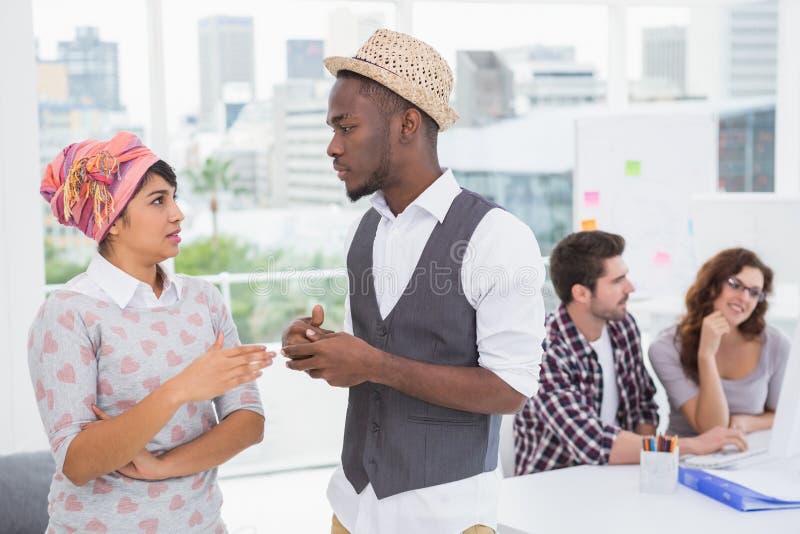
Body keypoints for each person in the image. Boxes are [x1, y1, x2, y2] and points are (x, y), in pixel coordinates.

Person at [280, 29, 546, 534]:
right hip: (353, 507)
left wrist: (374, 365)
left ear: (406, 124)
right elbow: (378, 346)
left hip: (447, 516)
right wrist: (321, 349)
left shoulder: (498, 237)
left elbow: (510, 389)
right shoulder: (366, 230)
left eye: (346, 127)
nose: (332, 147)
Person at [29, 132, 274, 533]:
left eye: (174, 198)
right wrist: (180, 389)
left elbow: (248, 420)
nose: (177, 213)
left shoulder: (203, 299)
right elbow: (78, 462)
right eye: (158, 201)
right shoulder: (68, 314)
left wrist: (162, 466)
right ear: (111, 223)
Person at [514, 231, 747, 474]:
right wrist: (692, 445)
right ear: (581, 293)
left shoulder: (622, 326)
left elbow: (643, 403)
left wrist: (647, 465)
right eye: (617, 281)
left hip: (618, 475)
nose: (630, 287)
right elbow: (592, 443)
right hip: (554, 485)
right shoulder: (544, 347)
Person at [649, 248, 790, 437]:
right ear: (711, 286)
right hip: (687, 459)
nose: (744, 298)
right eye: (735, 284)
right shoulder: (666, 348)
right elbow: (712, 428)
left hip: (747, 457)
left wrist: (749, 423)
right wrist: (706, 355)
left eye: (754, 292)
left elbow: (784, 415)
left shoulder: (776, 344)